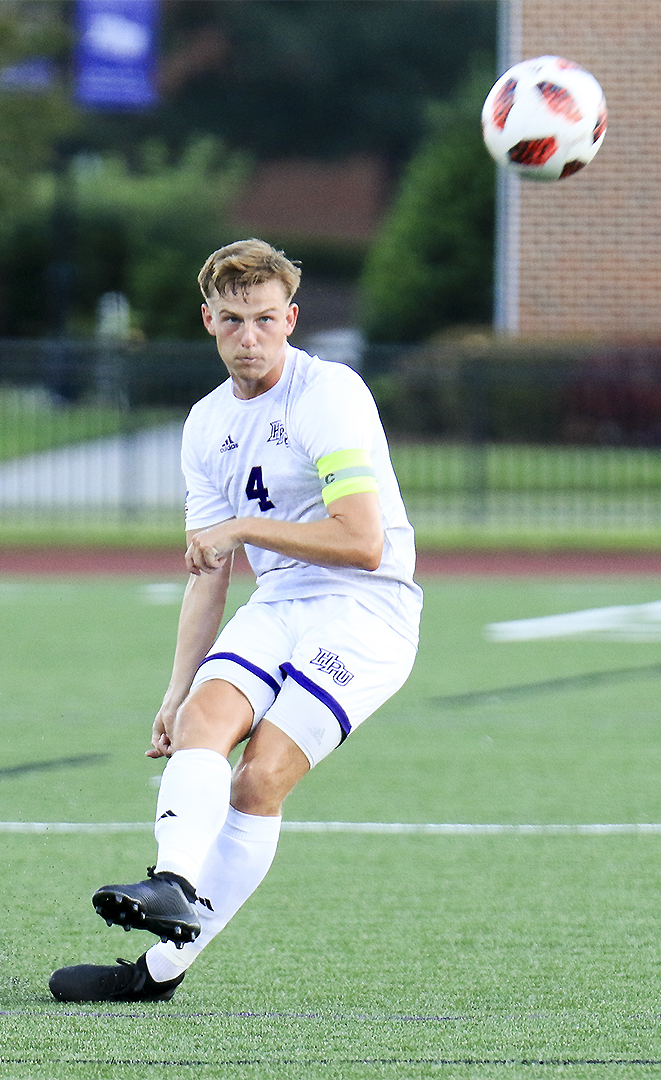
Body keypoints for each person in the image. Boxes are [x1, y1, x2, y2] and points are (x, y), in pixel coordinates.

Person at [50, 239, 422, 1002]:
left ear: (290, 319)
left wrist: (247, 530)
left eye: (263, 319)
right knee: (202, 721)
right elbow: (206, 571)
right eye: (231, 321)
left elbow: (362, 541)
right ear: (208, 322)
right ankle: (173, 882)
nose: (248, 337)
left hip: (367, 610)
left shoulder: (331, 394)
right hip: (281, 602)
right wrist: (174, 691)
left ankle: (158, 972)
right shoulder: (204, 423)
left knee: (257, 781)